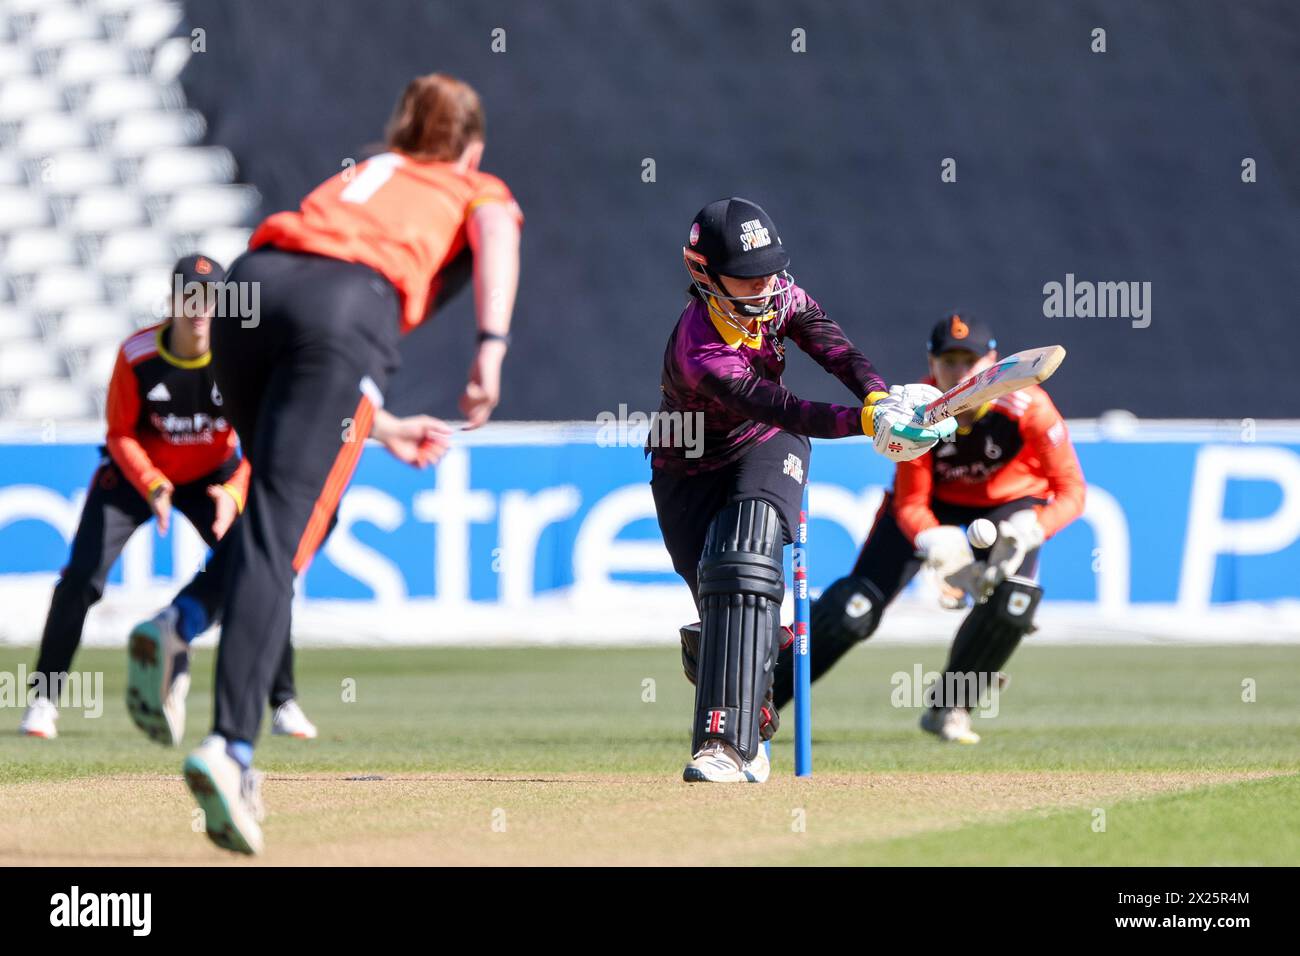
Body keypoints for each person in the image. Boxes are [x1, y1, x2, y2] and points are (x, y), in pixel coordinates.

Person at [136, 73, 521, 855]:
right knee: (285, 526)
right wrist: (490, 350)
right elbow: (499, 235)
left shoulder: (363, 174)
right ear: (469, 145)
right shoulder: (472, 183)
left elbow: (308, 290)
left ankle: (179, 624)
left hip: (249, 293)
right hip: (345, 308)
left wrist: (382, 425)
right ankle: (230, 748)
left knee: (291, 511)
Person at [652, 197, 955, 784]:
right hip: (684, 465)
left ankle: (725, 748)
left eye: (770, 267)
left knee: (742, 563)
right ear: (704, 275)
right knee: (726, 614)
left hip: (767, 445)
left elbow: (830, 343)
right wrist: (865, 425)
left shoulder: (776, 298)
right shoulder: (701, 352)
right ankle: (761, 683)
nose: (765, 283)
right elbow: (782, 403)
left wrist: (878, 396)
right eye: (747, 273)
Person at [19, 256, 305, 741]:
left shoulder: (238, 357)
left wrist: (233, 494)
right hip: (139, 477)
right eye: (189, 296)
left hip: (213, 479)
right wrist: (152, 485)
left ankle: (284, 703)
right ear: (173, 301)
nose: (199, 308)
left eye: (211, 298)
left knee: (263, 569)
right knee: (81, 579)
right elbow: (118, 434)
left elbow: (258, 439)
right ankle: (44, 700)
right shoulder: (137, 355)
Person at [771, 313, 1086, 742]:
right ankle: (758, 703)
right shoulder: (921, 408)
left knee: (1014, 603)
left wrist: (1034, 527)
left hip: (1009, 511)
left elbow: (1071, 491)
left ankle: (951, 709)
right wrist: (936, 542)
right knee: (852, 612)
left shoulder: (1029, 407)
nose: (959, 373)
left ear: (992, 364)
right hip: (927, 512)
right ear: (932, 364)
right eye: (948, 362)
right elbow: (912, 502)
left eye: (969, 362)